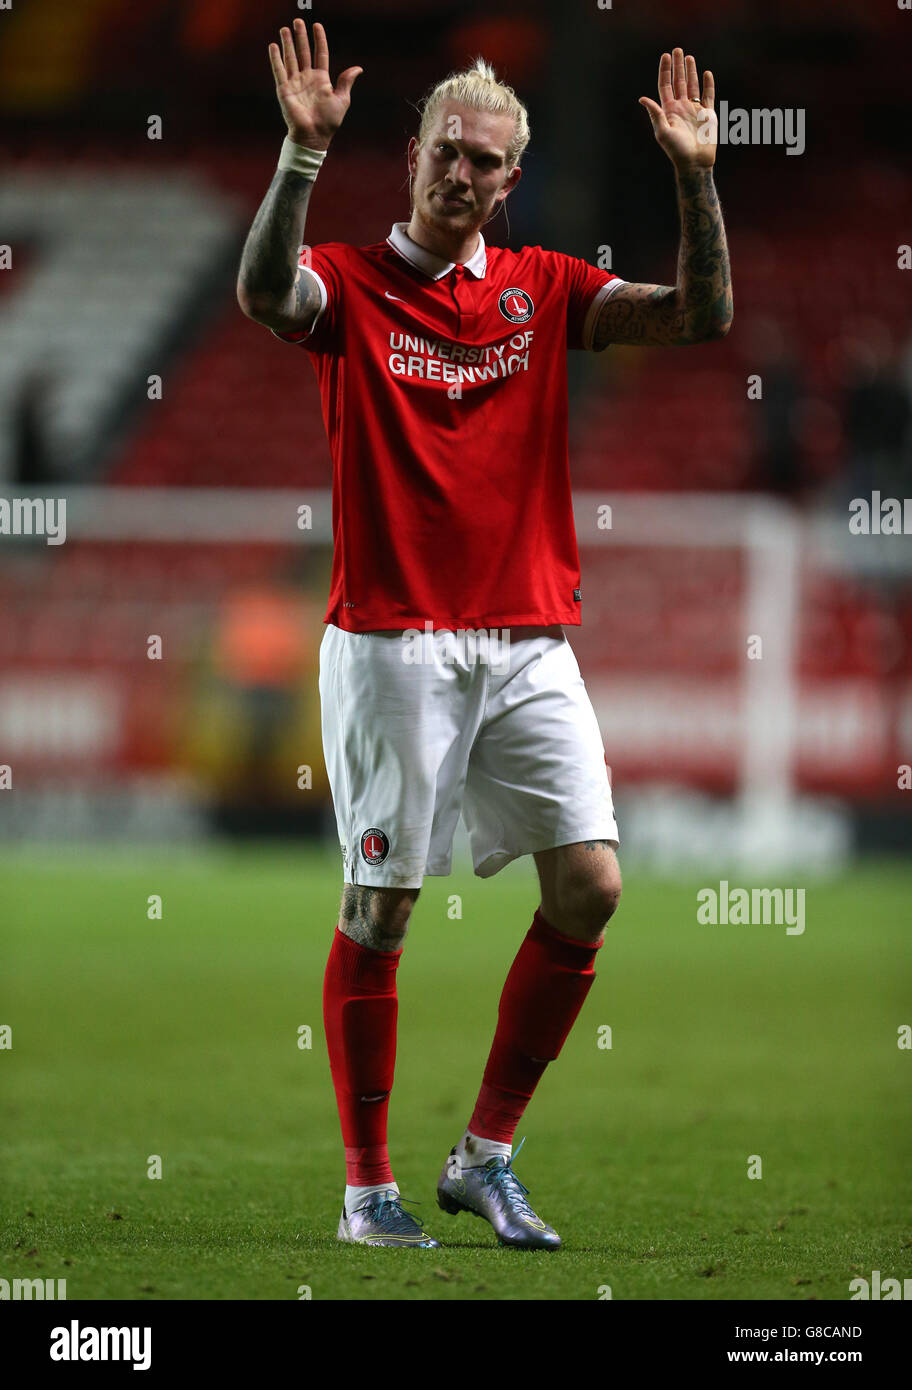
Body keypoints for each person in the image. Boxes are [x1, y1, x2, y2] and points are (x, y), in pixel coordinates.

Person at [237, 21, 732, 1249]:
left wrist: (695, 175)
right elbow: (263, 293)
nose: (464, 174)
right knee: (382, 910)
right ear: (413, 155)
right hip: (393, 639)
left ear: (514, 182)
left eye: (489, 163)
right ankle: (368, 1191)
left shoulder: (545, 290)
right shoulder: (349, 286)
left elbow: (702, 318)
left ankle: (484, 1156)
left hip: (527, 640)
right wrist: (299, 160)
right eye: (449, 152)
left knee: (594, 882)